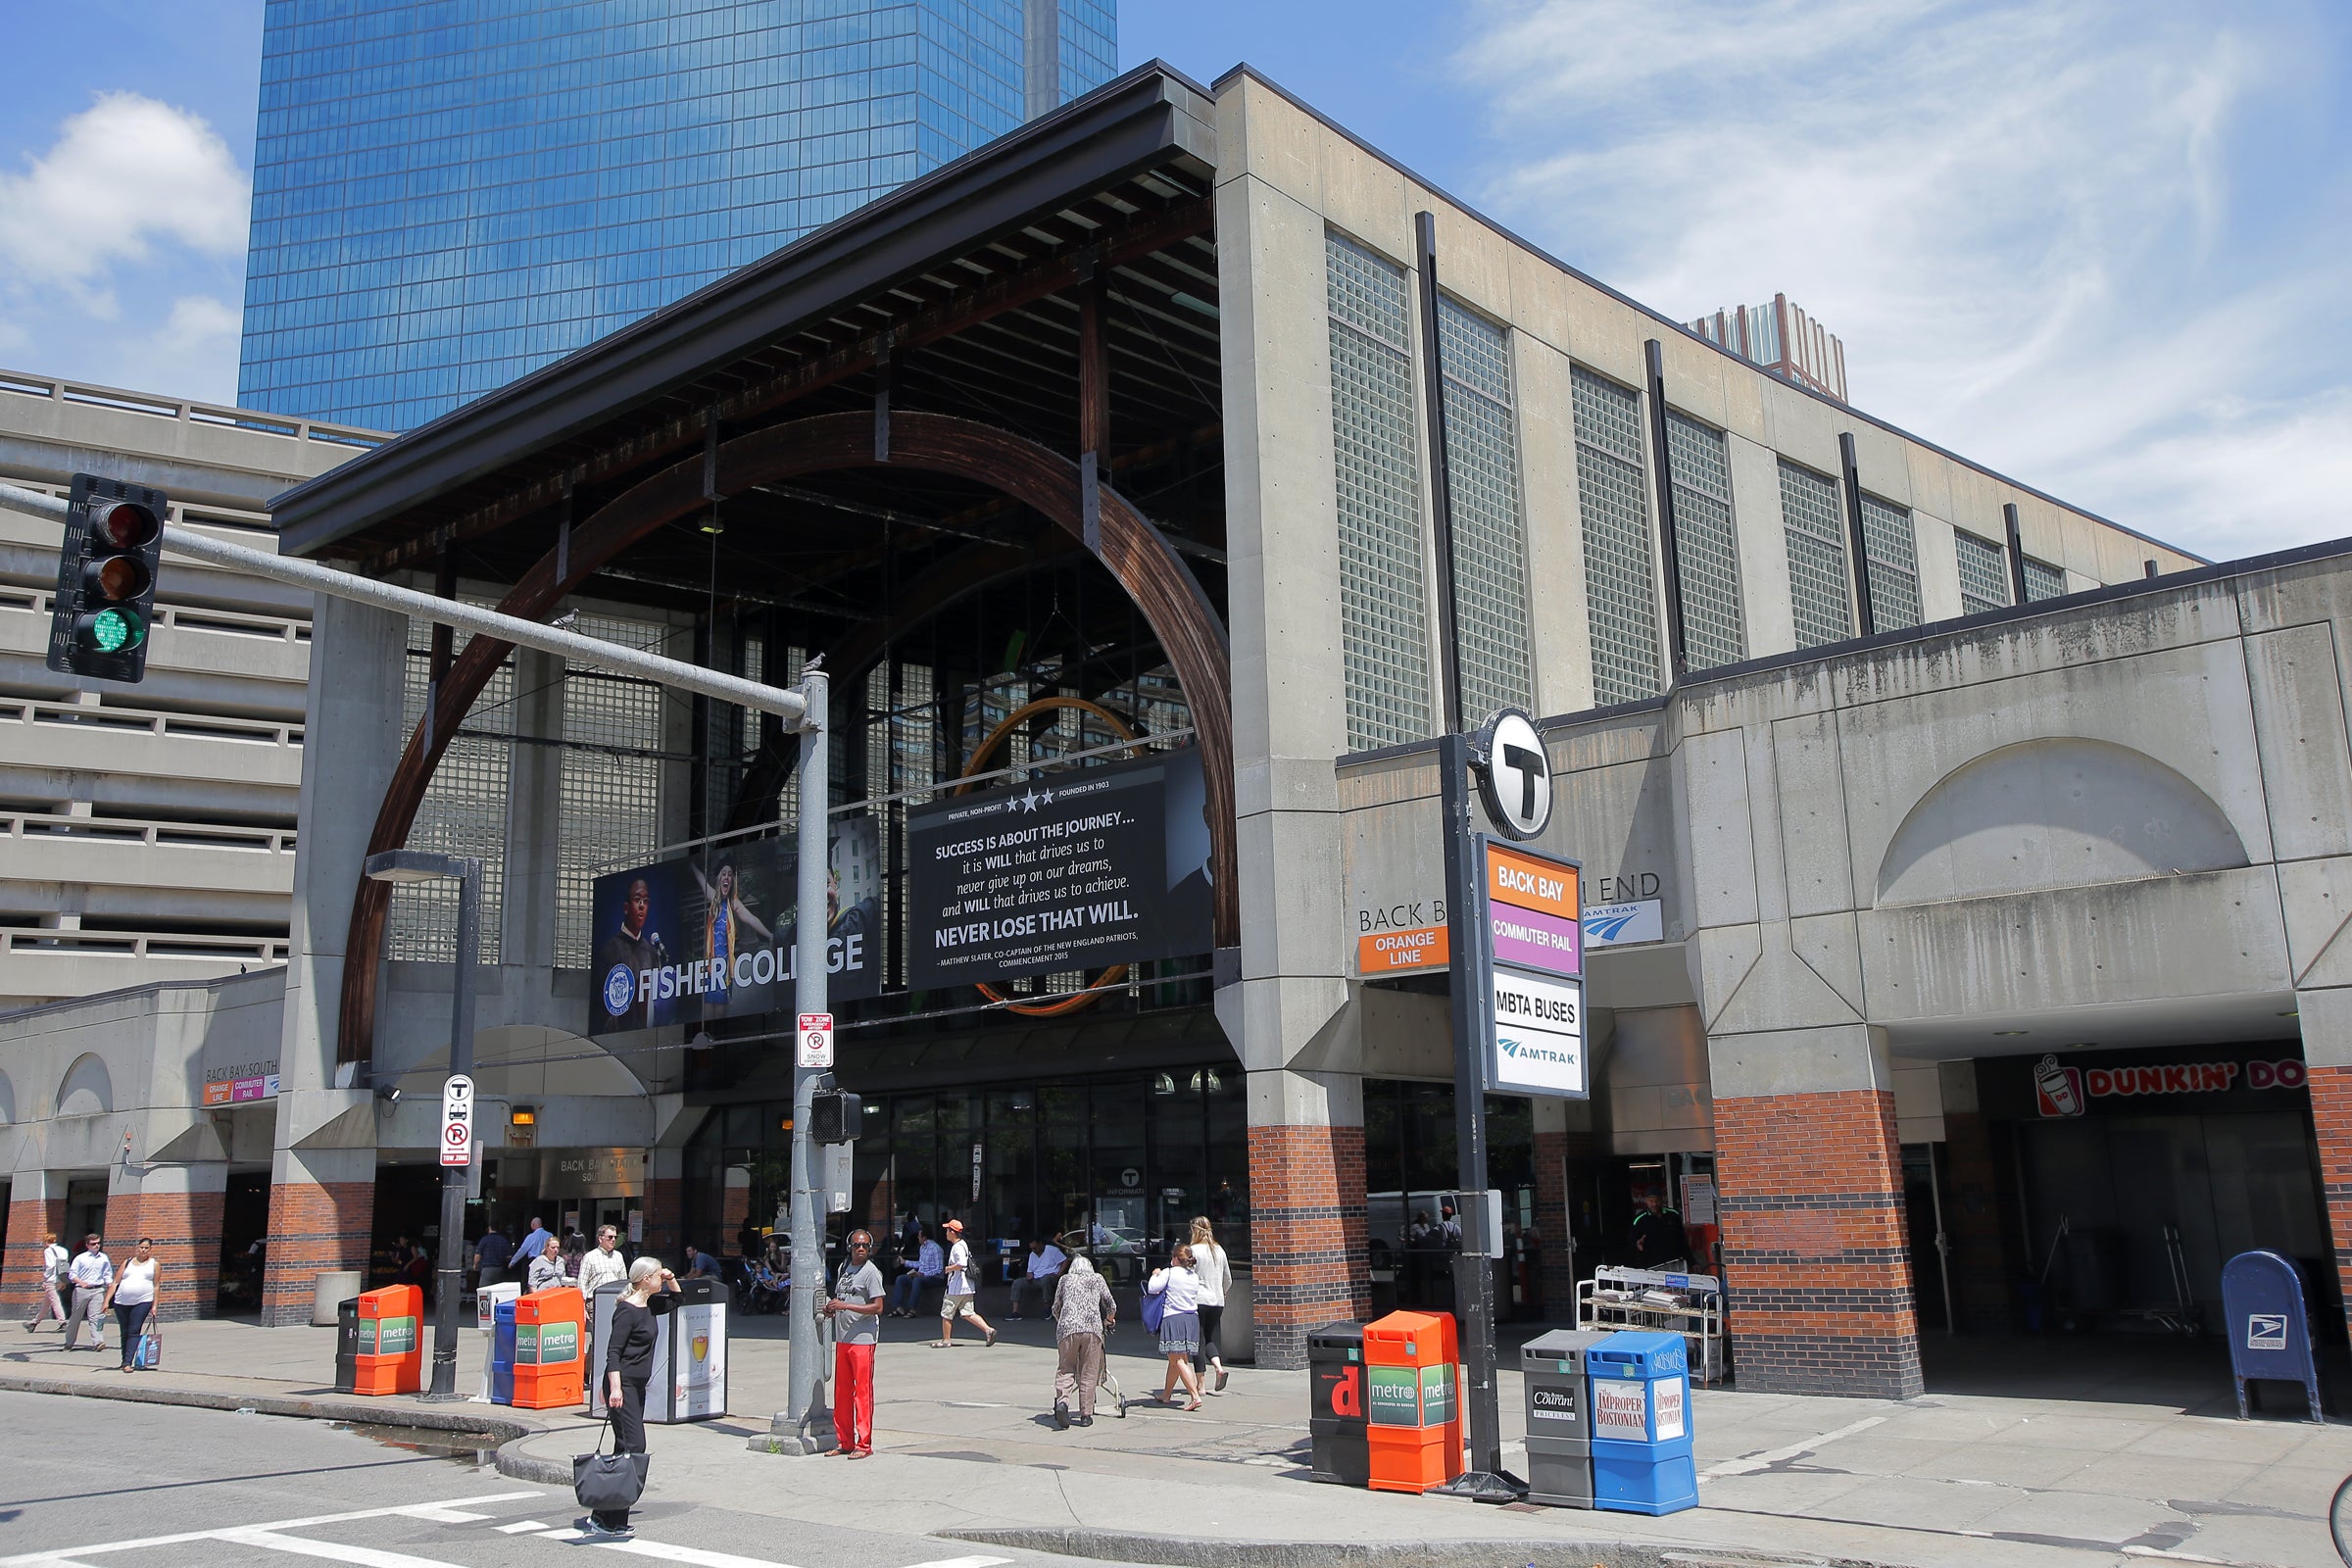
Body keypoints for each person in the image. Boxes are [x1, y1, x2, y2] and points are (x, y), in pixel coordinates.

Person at [591, 1256, 680, 1539]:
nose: (661, 1279)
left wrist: (671, 1278)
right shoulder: (626, 1311)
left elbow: (678, 1300)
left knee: (624, 1449)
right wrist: (615, 1388)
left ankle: (607, 1515)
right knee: (634, 1447)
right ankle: (609, 1515)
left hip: (637, 1386)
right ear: (644, 1279)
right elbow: (613, 1352)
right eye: (657, 1275)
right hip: (623, 1386)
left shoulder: (649, 1305)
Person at [823, 1229, 886, 1458]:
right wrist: (832, 1308)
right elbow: (842, 1298)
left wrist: (846, 1306)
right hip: (843, 1338)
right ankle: (845, 1442)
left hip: (863, 1340)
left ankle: (864, 1444)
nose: (861, 1249)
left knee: (862, 1392)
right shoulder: (844, 1267)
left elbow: (878, 1307)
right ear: (850, 1247)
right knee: (842, 1392)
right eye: (857, 1245)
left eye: (865, 1246)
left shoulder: (871, 1273)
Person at [689, 859, 774, 1019]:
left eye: (729, 874)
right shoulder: (713, 897)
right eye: (724, 874)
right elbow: (701, 879)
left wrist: (769, 935)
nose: (727, 877)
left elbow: (751, 918)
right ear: (718, 879)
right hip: (710, 968)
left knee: (720, 1016)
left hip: (725, 970)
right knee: (707, 1014)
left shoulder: (733, 903)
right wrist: (691, 864)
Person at [1051, 1252, 1116, 1429]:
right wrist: (1109, 1320)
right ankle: (1086, 1415)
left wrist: (1064, 1322)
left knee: (1066, 1369)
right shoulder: (1097, 1278)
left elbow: (1056, 1307)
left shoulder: (1065, 1280)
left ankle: (1063, 1403)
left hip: (1067, 1329)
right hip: (1092, 1329)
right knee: (1089, 1372)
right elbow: (1111, 1305)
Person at [595, 877, 667, 1032]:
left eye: (645, 901)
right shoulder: (610, 950)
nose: (642, 905)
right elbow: (599, 1007)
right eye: (637, 899)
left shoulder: (651, 952)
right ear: (626, 907)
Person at [575, 1226, 630, 1413]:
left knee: (614, 1340)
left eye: (615, 1237)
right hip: (595, 1302)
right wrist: (582, 1307)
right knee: (599, 1340)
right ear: (600, 1238)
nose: (613, 1240)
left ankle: (605, 1375)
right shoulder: (590, 1257)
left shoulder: (619, 1257)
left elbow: (624, 1280)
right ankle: (590, 1374)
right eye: (609, 1237)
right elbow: (582, 1284)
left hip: (615, 1302)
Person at [1146, 1244, 1203, 1411]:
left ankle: (1195, 1396)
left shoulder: (1169, 1272)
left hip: (1174, 1318)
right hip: (1191, 1318)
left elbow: (1152, 1288)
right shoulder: (1193, 1276)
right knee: (1176, 1360)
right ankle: (1166, 1394)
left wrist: (1155, 1274)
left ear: (1177, 1259)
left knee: (1178, 1360)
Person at [931, 1218, 996, 1348]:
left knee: (947, 1313)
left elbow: (962, 1263)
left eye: (947, 1230)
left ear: (953, 1232)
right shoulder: (963, 1244)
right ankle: (988, 1330)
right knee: (968, 1313)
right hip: (967, 1286)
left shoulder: (957, 1247)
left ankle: (946, 1340)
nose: (946, 1233)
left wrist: (948, 1269)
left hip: (956, 1286)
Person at [1188, 1216, 1233, 1396]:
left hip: (1199, 1300)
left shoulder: (1193, 1250)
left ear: (1194, 1230)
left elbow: (1187, 1276)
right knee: (1208, 1337)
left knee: (1197, 1341)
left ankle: (1200, 1385)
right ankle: (1218, 1368)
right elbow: (1228, 1278)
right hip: (1217, 1301)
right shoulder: (1219, 1250)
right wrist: (1223, 1292)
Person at [102, 1238, 159, 1373]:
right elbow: (115, 1282)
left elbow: (156, 1285)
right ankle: (124, 1361)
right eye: (141, 1247)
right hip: (121, 1302)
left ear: (150, 1249)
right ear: (137, 1248)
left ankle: (128, 1363)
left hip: (143, 1301)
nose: (143, 1250)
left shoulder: (154, 1264)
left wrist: (154, 1305)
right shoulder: (128, 1262)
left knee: (134, 1331)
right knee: (125, 1331)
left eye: (146, 1248)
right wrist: (106, 1301)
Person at [63, 1234, 112, 1353]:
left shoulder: (103, 1258)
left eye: (98, 1243)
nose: (96, 1246)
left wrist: (110, 1284)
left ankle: (98, 1342)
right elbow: (72, 1274)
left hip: (97, 1290)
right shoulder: (80, 1258)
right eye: (93, 1244)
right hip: (82, 1290)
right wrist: (81, 1282)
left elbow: (107, 1273)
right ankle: (69, 1343)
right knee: (76, 1317)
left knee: (96, 1317)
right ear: (87, 1245)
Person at [890, 1228, 943, 1317]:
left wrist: (924, 1274)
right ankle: (898, 1308)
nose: (918, 1237)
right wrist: (905, 1262)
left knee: (917, 1280)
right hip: (921, 1275)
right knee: (901, 1279)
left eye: (919, 1236)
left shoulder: (936, 1248)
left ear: (924, 1237)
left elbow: (939, 1269)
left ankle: (912, 1309)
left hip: (935, 1278)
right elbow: (920, 1264)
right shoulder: (922, 1247)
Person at [1628, 1192, 1690, 1268]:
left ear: (1662, 1200)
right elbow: (1631, 1240)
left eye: (1657, 1200)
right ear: (1646, 1201)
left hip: (1675, 1263)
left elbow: (1683, 1240)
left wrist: (1692, 1262)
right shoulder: (1639, 1219)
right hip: (1652, 1266)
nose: (1655, 1204)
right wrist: (1637, 1244)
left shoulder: (1673, 1215)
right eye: (1651, 1201)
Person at [22, 1231, 68, 1333]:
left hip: (51, 1279)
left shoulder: (48, 1251)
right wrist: (63, 1280)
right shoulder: (63, 1250)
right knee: (46, 1302)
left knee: (55, 1301)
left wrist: (45, 1278)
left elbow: (50, 1265)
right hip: (60, 1278)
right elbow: (64, 1265)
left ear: (46, 1241)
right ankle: (34, 1322)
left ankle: (62, 1322)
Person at [1012, 1236, 1066, 1320]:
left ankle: (1048, 1308)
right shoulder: (1032, 1254)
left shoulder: (1052, 1250)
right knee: (1017, 1282)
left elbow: (1065, 1260)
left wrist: (1059, 1273)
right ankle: (1015, 1312)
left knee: (1045, 1279)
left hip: (1051, 1277)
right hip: (1036, 1279)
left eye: (1035, 1248)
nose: (1033, 1250)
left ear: (1040, 1244)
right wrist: (1029, 1275)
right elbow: (1029, 1271)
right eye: (1031, 1248)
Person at [473, 1226, 513, 1292]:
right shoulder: (503, 1240)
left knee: (484, 1290)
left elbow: (478, 1255)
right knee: (497, 1289)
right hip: (499, 1269)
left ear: (489, 1228)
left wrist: (475, 1265)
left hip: (487, 1269)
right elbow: (508, 1256)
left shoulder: (484, 1239)